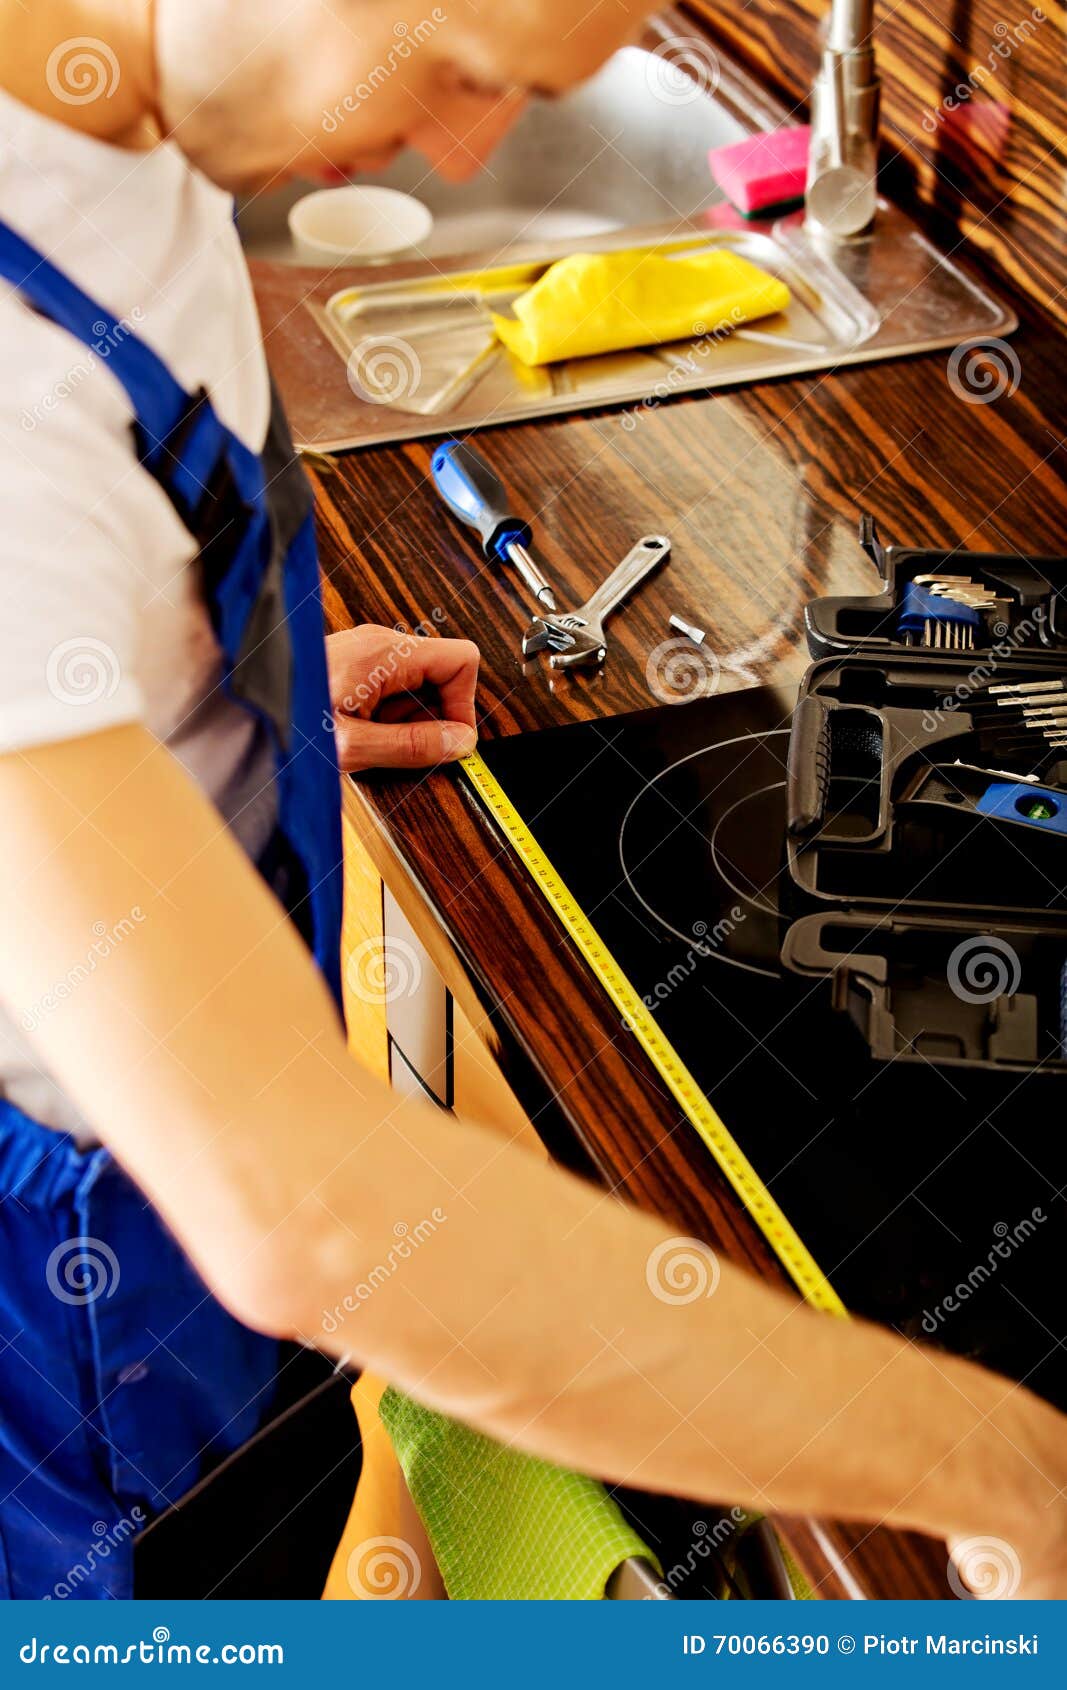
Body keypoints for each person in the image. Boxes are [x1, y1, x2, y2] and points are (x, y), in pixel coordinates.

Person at [0, 0, 1064, 1603]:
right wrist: (1004, 1463)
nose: (463, 142)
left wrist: (204, 710)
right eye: (470, 62)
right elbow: (306, 1209)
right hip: (72, 1394)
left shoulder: (118, 125)